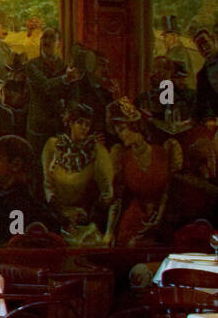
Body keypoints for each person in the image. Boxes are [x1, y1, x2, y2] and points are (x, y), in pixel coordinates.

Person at [107, 99, 182, 246]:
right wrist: (108, 233)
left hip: (164, 216)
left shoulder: (164, 151)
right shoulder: (122, 156)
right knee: (132, 244)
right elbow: (117, 198)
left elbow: (167, 192)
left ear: (135, 126)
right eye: (117, 131)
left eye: (122, 129)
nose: (120, 135)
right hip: (136, 218)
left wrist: (158, 219)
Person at [41, 104, 113, 243]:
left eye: (87, 124)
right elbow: (48, 185)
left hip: (84, 223)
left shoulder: (96, 151)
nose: (84, 128)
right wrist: (60, 216)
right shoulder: (53, 146)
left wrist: (89, 216)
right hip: (57, 218)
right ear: (70, 123)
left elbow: (107, 193)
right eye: (80, 123)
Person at [23, 28, 78, 157]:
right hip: (38, 127)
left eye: (51, 38)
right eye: (44, 37)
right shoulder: (32, 66)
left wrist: (70, 111)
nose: (46, 41)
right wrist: (65, 79)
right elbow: (45, 86)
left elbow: (73, 94)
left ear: (59, 43)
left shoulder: (64, 67)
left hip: (58, 126)